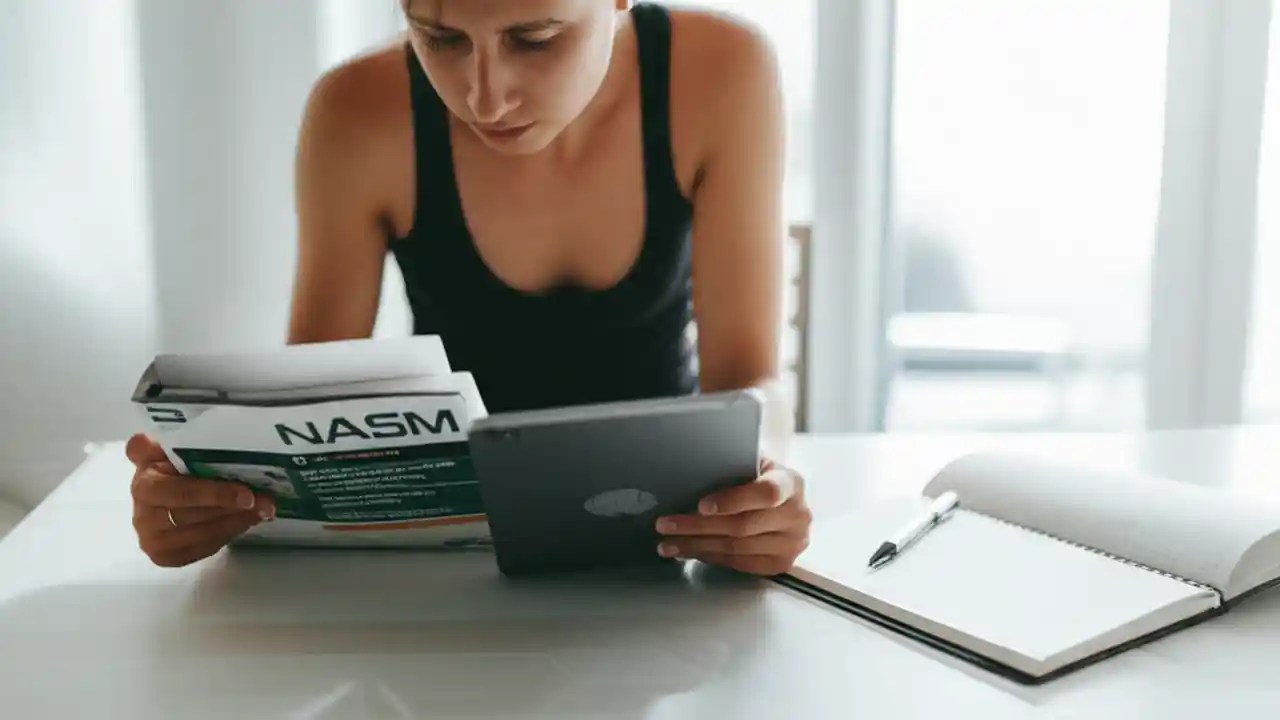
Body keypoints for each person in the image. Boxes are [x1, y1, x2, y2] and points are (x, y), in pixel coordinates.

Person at [126, 0, 811, 575]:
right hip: (448, 563)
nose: (485, 97)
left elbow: (750, 382)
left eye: (534, 38)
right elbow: (307, 418)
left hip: (661, 539)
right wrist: (209, 500)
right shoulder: (358, 112)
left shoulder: (721, 72)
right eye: (439, 35)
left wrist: (762, 481)